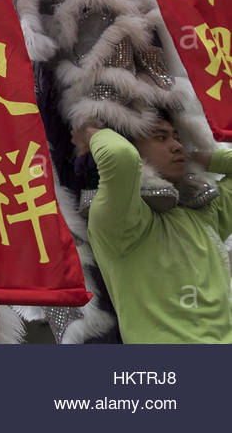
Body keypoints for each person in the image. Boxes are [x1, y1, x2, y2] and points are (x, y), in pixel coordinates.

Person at [76, 118, 232, 343]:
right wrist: (90, 130)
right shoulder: (119, 221)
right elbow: (121, 158)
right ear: (133, 149)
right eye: (161, 137)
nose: (177, 146)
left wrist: (195, 155)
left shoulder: (205, 213)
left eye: (178, 139)